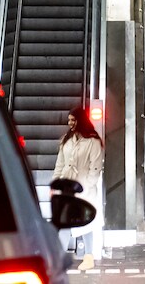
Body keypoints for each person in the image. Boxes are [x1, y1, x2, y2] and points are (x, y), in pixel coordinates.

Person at [51, 107, 104, 272]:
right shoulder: (67, 140)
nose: (70, 123)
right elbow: (60, 164)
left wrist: (86, 186)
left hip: (84, 190)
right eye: (69, 120)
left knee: (85, 223)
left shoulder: (94, 142)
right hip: (67, 188)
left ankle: (88, 256)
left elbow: (95, 168)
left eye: (73, 120)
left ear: (80, 120)